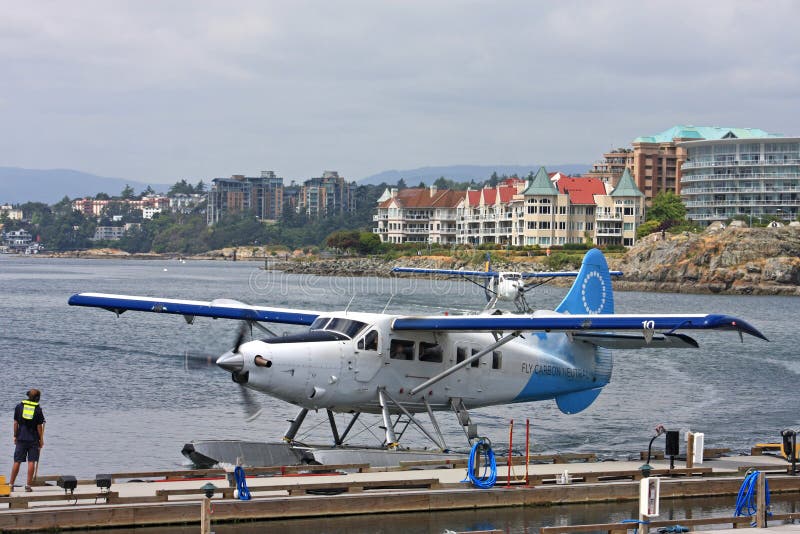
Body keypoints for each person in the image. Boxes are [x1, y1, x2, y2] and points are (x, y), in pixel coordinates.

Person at [10, 389, 45, 492]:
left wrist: (15, 435)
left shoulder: (19, 406)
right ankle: (28, 486)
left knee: (17, 461)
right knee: (31, 461)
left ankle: (11, 484)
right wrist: (41, 439)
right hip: (33, 439)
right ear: (37, 398)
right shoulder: (38, 409)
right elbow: (39, 426)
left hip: (21, 437)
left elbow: (15, 423)